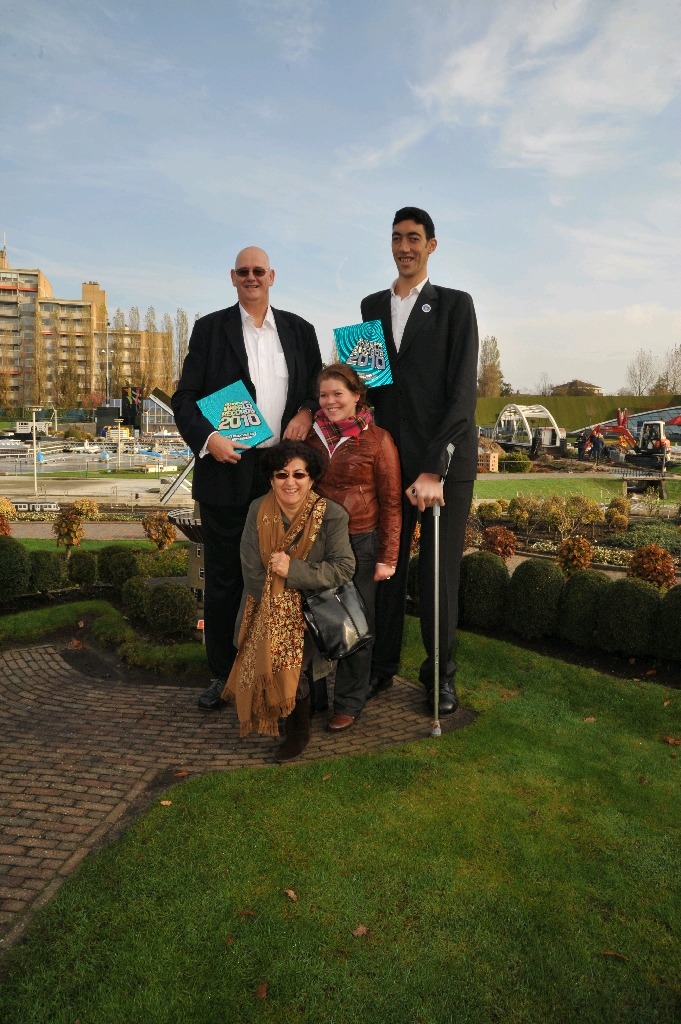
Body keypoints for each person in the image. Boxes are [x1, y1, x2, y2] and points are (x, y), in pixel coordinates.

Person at [172, 247, 322, 711]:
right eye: (244, 272)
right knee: (224, 581)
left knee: (283, 580)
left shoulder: (300, 331)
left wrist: (304, 409)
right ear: (232, 278)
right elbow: (185, 398)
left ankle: (278, 676)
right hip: (226, 471)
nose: (252, 277)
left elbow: (317, 387)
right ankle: (222, 674)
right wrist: (210, 437)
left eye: (259, 271)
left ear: (272, 276)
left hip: (283, 479)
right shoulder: (209, 329)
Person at [360, 206, 479, 716]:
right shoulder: (369, 306)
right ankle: (380, 668)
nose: (404, 247)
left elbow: (460, 397)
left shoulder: (454, 306)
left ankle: (440, 677)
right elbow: (369, 388)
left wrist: (433, 468)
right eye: (396, 239)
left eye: (413, 238)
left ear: (432, 245)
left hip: (444, 467)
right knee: (384, 567)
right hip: (387, 462)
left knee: (438, 574)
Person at [225, 440, 355, 762]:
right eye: (282, 474)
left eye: (299, 474)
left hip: (314, 611)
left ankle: (298, 730)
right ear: (271, 478)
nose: (290, 482)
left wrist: (292, 571)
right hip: (264, 604)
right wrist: (277, 607)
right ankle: (285, 709)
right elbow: (251, 567)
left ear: (311, 479)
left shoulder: (332, 515)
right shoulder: (258, 509)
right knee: (276, 637)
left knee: (288, 655)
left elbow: (343, 568)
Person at [305, 363, 402, 730]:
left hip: (361, 541)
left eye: (338, 394)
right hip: (317, 541)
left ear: (356, 396)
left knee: (355, 624)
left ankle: (349, 701)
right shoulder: (311, 437)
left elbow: (392, 502)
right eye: (324, 395)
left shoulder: (378, 440)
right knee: (315, 616)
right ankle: (313, 696)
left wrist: (387, 557)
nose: (330, 402)